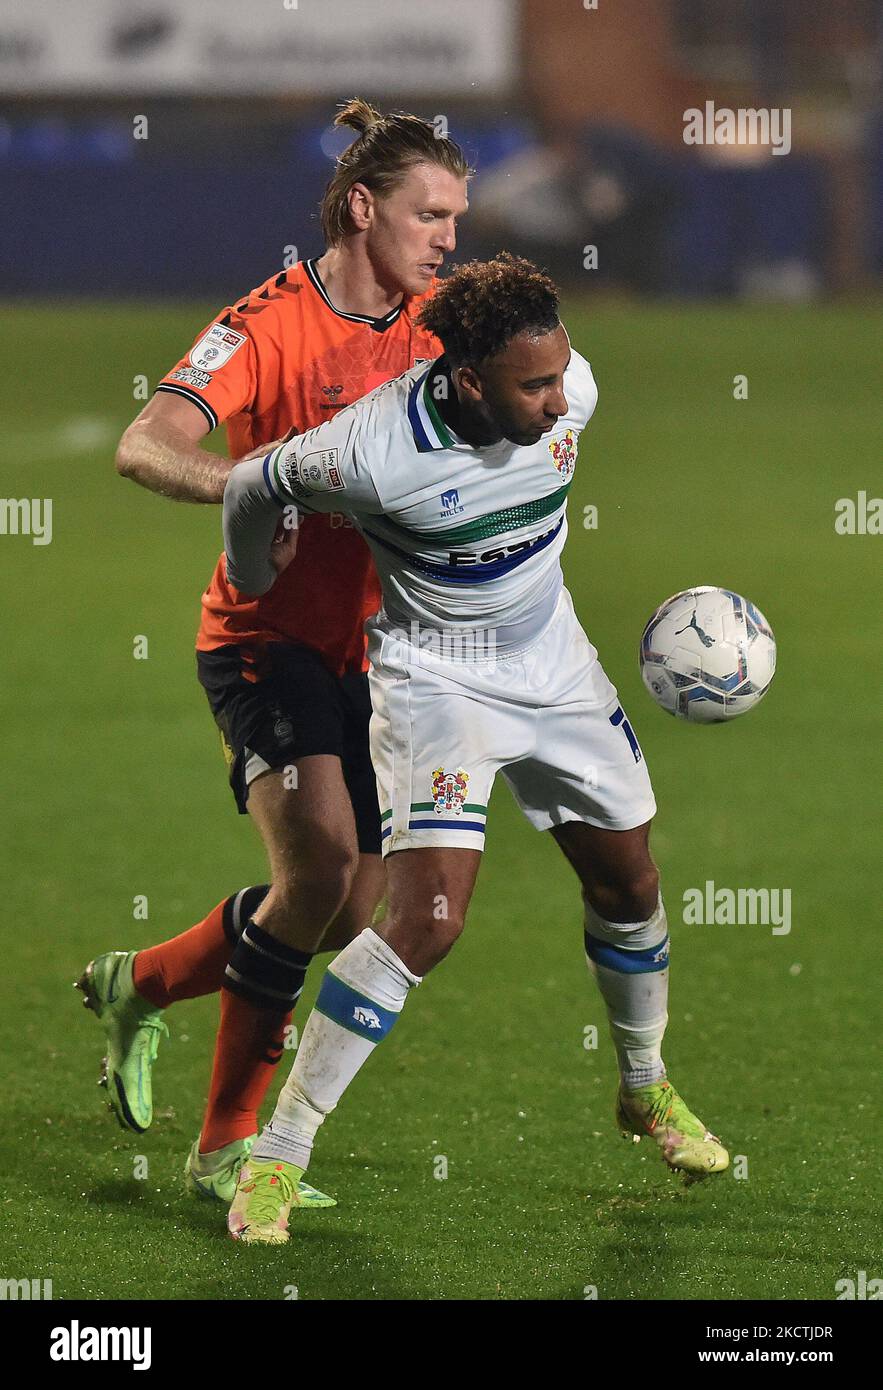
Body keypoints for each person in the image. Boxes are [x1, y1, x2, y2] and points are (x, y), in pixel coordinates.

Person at [220, 252, 728, 1245]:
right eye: (529, 385)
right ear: (466, 381)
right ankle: (277, 1156)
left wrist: (555, 385)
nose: (555, 400)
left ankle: (643, 1086)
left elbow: (563, 391)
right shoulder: (368, 451)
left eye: (558, 375)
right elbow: (252, 477)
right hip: (435, 684)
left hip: (558, 672)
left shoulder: (573, 386)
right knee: (427, 920)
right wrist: (254, 567)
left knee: (628, 882)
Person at [76, 99, 470, 1209]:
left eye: (456, 217)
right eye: (428, 214)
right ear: (361, 207)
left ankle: (138, 982)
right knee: (320, 869)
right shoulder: (264, 325)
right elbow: (144, 444)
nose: (447, 238)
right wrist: (243, 484)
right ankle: (225, 1151)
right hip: (265, 642)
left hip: (381, 655)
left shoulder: (441, 321)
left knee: (358, 918)